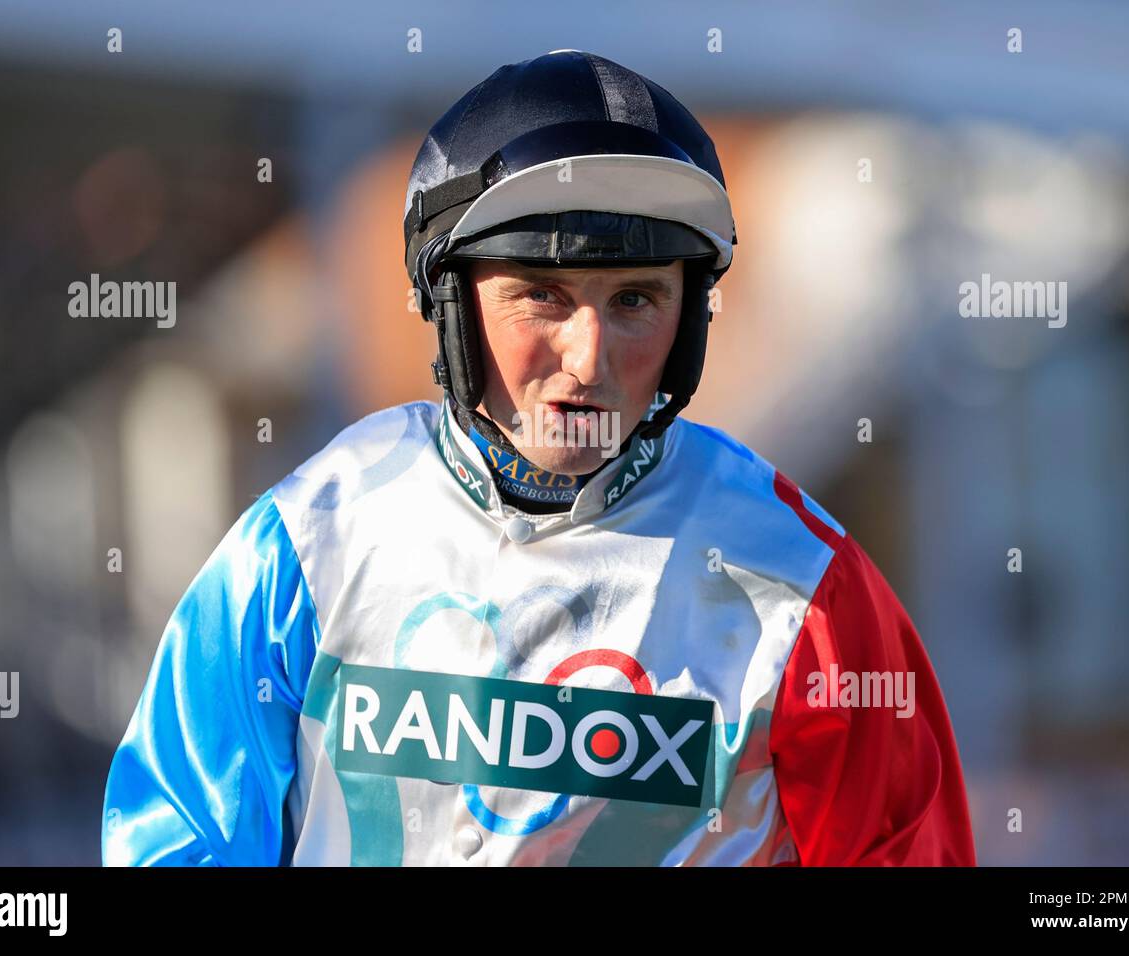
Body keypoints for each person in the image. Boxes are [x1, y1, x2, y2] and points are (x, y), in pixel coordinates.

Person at [102, 49, 976, 866]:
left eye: (636, 299)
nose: (590, 359)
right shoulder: (311, 535)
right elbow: (178, 836)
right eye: (541, 296)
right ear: (447, 304)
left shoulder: (806, 585)